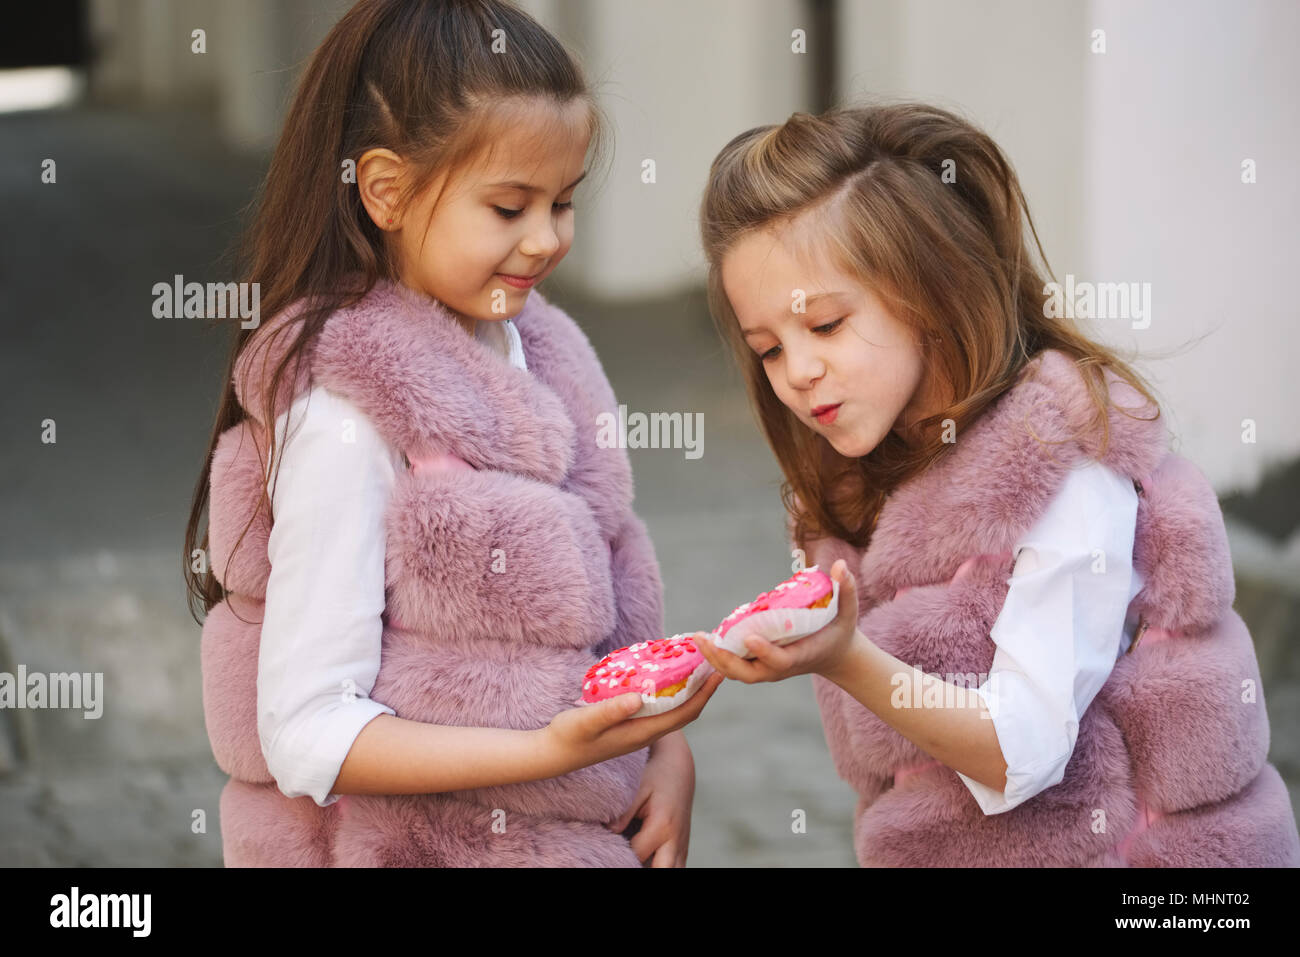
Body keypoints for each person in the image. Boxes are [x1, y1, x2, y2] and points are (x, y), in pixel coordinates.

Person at [184, 0, 720, 868]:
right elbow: (307, 729)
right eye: (509, 207)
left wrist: (662, 751)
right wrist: (552, 755)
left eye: (564, 201)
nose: (546, 238)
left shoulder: (540, 351)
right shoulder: (347, 415)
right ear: (389, 189)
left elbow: (602, 615)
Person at [693, 100, 1300, 866]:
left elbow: (1022, 753)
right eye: (768, 348)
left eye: (824, 326)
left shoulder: (1068, 475)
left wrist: (845, 657)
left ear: (932, 294)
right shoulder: (869, 485)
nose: (798, 371)